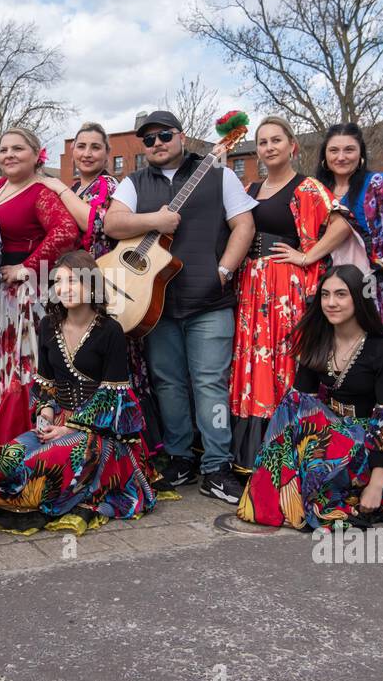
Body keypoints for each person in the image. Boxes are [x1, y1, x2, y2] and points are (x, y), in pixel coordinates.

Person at [103, 109, 255, 504]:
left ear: (181, 136)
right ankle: (180, 456)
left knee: (210, 385)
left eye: (164, 136)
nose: (156, 144)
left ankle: (217, 466)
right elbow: (112, 224)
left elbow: (244, 225)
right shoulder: (134, 181)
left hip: (209, 301)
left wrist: (223, 270)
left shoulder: (219, 173)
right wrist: (156, 219)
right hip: (155, 305)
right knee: (169, 384)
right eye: (148, 139)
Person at [237, 266, 383, 531]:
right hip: (331, 434)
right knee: (296, 421)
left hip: (371, 442)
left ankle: (354, 487)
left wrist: (376, 486)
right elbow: (298, 404)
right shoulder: (317, 341)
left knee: (320, 447)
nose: (331, 303)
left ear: (358, 298)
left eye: (341, 295)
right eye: (326, 295)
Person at [0, 251, 157, 536]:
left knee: (38, 464)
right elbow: (45, 383)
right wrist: (46, 414)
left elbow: (115, 398)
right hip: (57, 423)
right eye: (59, 282)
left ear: (92, 286)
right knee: (7, 461)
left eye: (75, 281)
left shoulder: (110, 330)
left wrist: (69, 429)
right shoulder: (47, 326)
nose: (65, 289)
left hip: (101, 432)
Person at [229, 116, 361, 468]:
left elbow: (343, 222)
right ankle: (251, 456)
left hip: (285, 288)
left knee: (283, 361)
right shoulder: (251, 190)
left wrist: (306, 256)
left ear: (292, 146)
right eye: (262, 142)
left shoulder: (307, 187)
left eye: (276, 140)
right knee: (252, 363)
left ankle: (288, 451)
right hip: (251, 287)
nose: (269, 147)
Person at [37, 121, 163, 454]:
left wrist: (60, 189)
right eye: (81, 146)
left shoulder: (110, 185)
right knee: (65, 349)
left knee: (112, 352)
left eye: (96, 147)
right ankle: (67, 421)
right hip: (68, 277)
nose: (88, 153)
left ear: (108, 153)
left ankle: (122, 437)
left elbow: (96, 224)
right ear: (72, 151)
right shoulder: (75, 187)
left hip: (101, 274)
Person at [0, 127, 80, 447]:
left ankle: (23, 440)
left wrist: (27, 266)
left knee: (22, 365)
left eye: (17, 149)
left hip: (27, 294)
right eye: (3, 149)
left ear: (37, 155)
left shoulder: (41, 192)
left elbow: (65, 232)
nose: (8, 155)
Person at [314, 123, 383, 340]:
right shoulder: (315, 191)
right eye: (334, 150)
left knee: (370, 355)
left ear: (361, 155)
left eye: (349, 149)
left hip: (368, 288)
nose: (341, 157)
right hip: (325, 291)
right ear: (324, 156)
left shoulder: (377, 185)